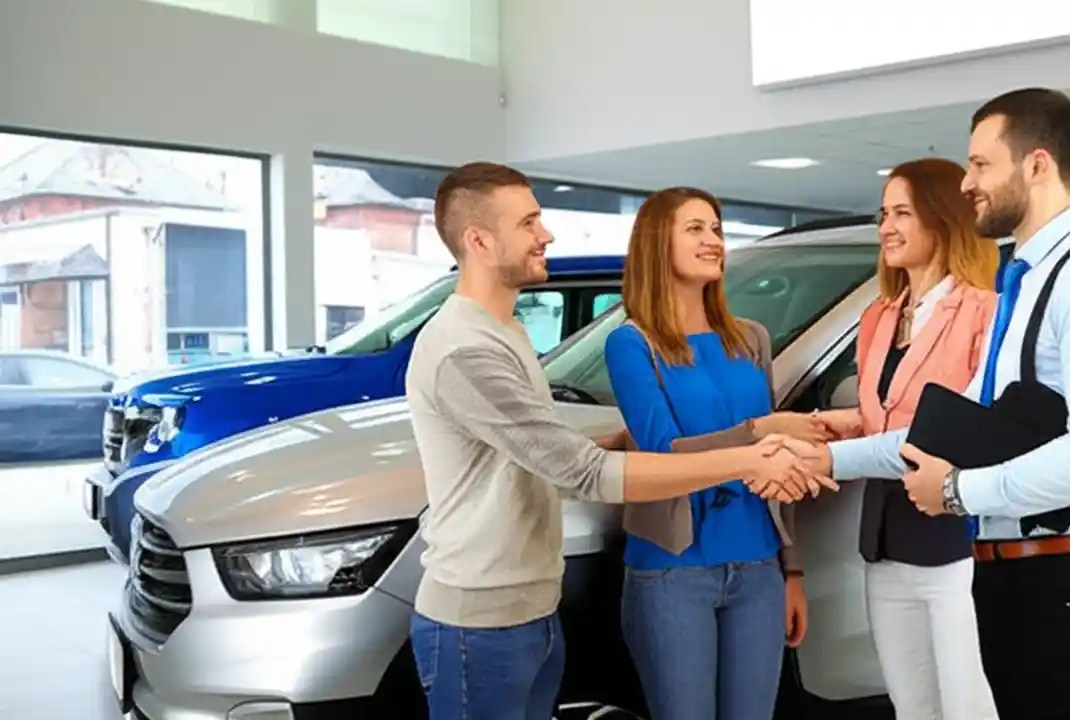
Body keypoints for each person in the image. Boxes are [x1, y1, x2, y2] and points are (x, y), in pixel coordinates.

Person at [403, 162, 829, 720]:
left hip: (530, 611)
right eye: (530, 221)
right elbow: (583, 473)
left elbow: (531, 454)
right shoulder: (466, 350)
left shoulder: (506, 332)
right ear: (479, 241)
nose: (547, 234)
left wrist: (619, 438)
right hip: (480, 621)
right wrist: (754, 448)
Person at [803, 88, 1070, 720]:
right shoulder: (1024, 281)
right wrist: (826, 462)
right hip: (1006, 576)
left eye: (982, 164)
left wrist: (961, 492)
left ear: (1037, 165)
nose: (967, 184)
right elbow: (946, 427)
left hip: (1059, 583)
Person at [603, 187, 836, 720]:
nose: (713, 241)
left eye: (717, 229)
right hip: (673, 572)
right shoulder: (631, 345)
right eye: (695, 229)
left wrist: (791, 570)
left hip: (758, 569)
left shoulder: (750, 339)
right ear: (656, 244)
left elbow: (784, 458)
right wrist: (759, 430)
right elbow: (664, 456)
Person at [811, 158, 1001, 719]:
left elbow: (959, 427)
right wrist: (843, 423)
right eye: (883, 214)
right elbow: (888, 415)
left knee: (968, 707)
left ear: (942, 219)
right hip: (886, 540)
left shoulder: (984, 312)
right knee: (911, 706)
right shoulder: (879, 317)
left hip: (953, 543)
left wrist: (823, 456)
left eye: (902, 213)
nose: (886, 227)